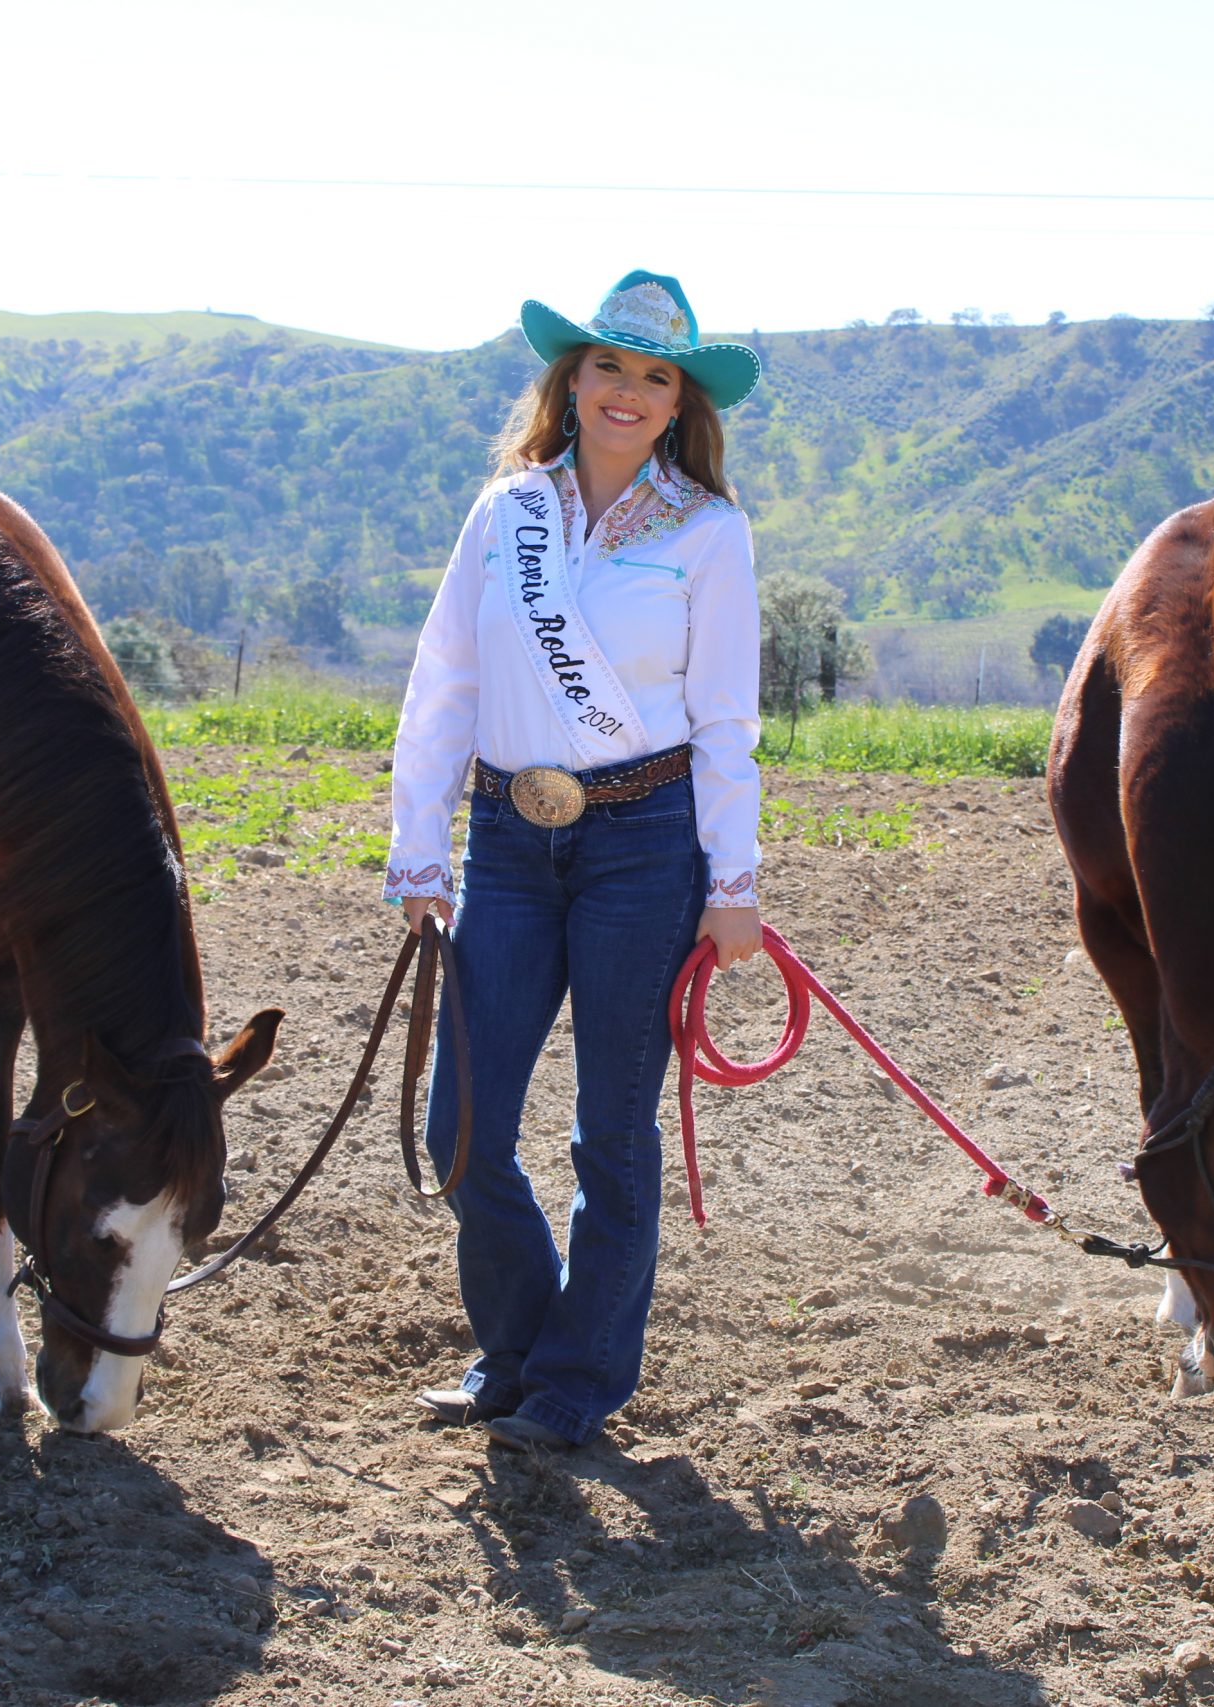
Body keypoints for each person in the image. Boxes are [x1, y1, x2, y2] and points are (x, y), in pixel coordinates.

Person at [383, 269, 766, 1453]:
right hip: (502, 845)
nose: (628, 392)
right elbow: (444, 678)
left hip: (641, 849)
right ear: (572, 378)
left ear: (676, 403)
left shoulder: (708, 534)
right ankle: (511, 1346)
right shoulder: (507, 515)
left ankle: (576, 1378)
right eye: (610, 366)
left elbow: (724, 721)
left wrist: (733, 882)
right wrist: (419, 852)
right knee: (464, 1123)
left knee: (612, 1130)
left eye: (655, 376)